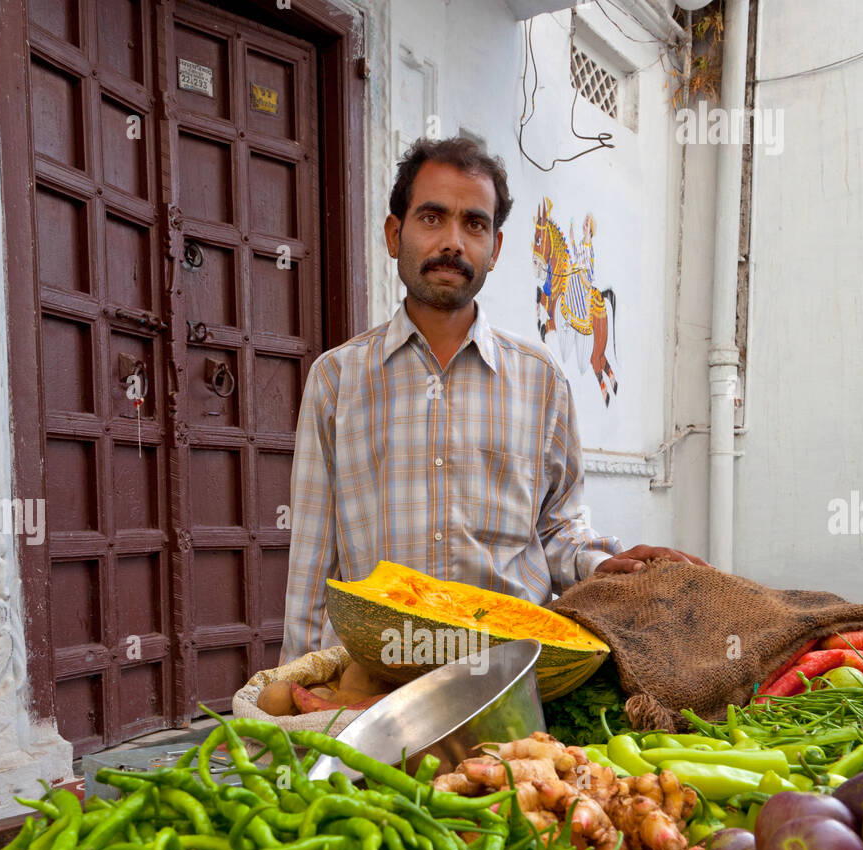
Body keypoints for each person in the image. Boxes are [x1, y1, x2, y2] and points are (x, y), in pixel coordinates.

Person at [279, 136, 705, 663]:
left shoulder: (541, 380)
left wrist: (598, 564)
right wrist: (295, 687)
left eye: (474, 224)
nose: (453, 242)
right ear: (395, 234)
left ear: (496, 249)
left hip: (511, 673)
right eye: (432, 218)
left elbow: (556, 529)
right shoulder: (337, 380)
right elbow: (313, 561)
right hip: (378, 674)